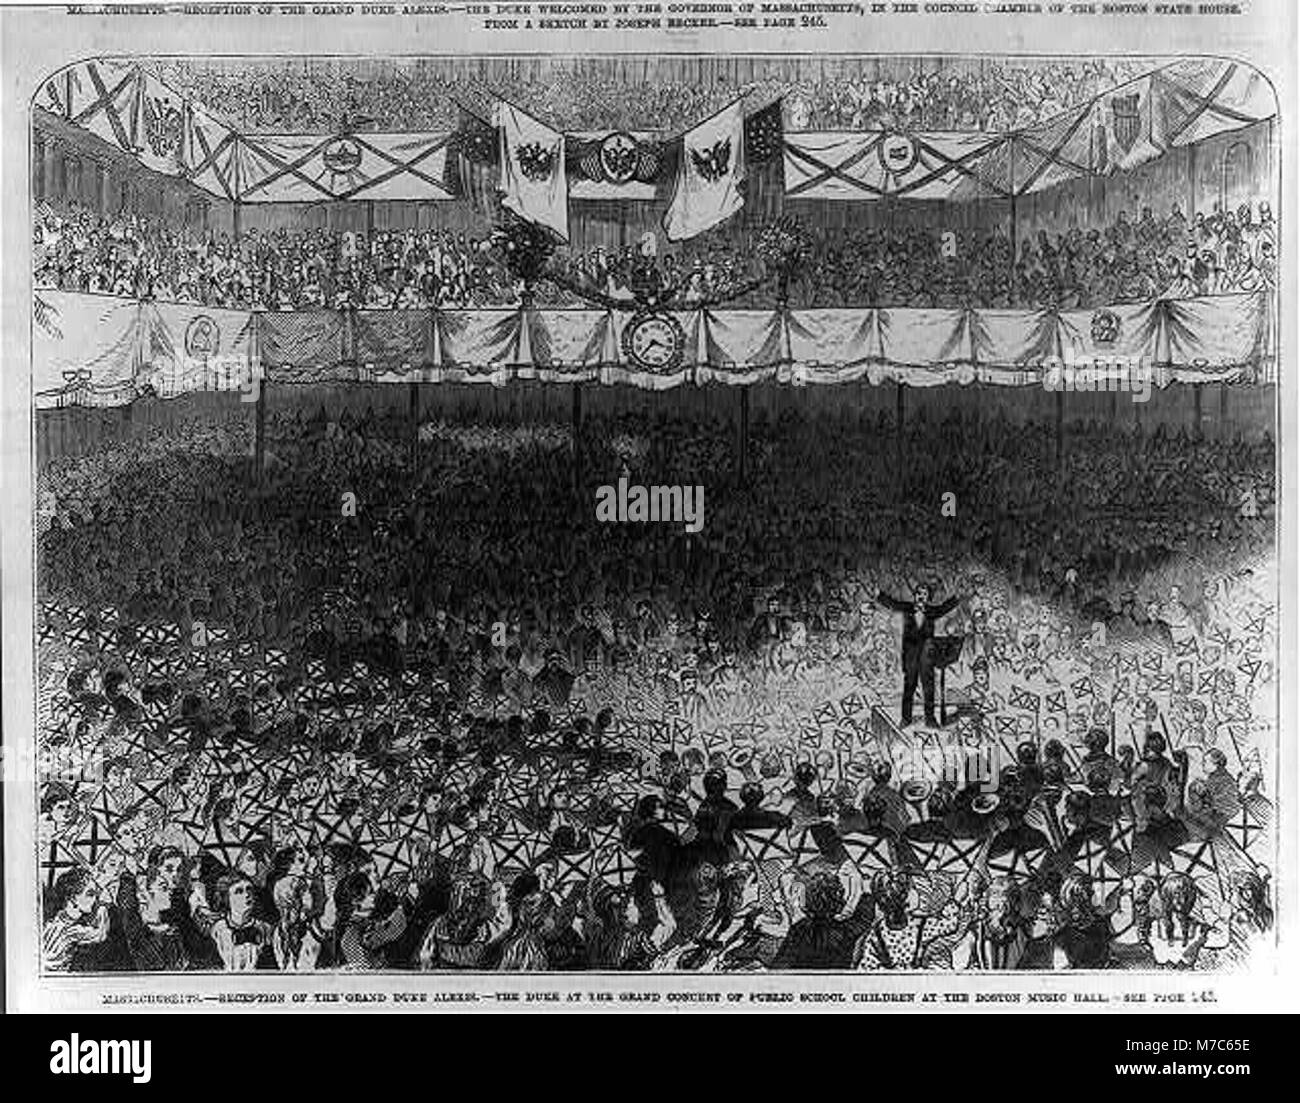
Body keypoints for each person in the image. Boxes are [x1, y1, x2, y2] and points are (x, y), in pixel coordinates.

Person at [877, 583, 965, 727]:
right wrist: (879, 595)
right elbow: (893, 604)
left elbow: (944, 608)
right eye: (919, 592)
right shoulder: (908, 608)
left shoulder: (931, 611)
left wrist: (957, 597)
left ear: (928, 597)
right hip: (911, 657)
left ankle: (930, 720)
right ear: (915, 594)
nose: (921, 596)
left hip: (927, 657)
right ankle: (906, 719)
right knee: (909, 688)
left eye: (924, 593)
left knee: (928, 689)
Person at [43, 868, 112, 971]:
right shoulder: (66, 930)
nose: (95, 899)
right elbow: (100, 934)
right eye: (90, 894)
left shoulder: (62, 920)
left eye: (95, 894)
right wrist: (103, 905)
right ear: (72, 898)